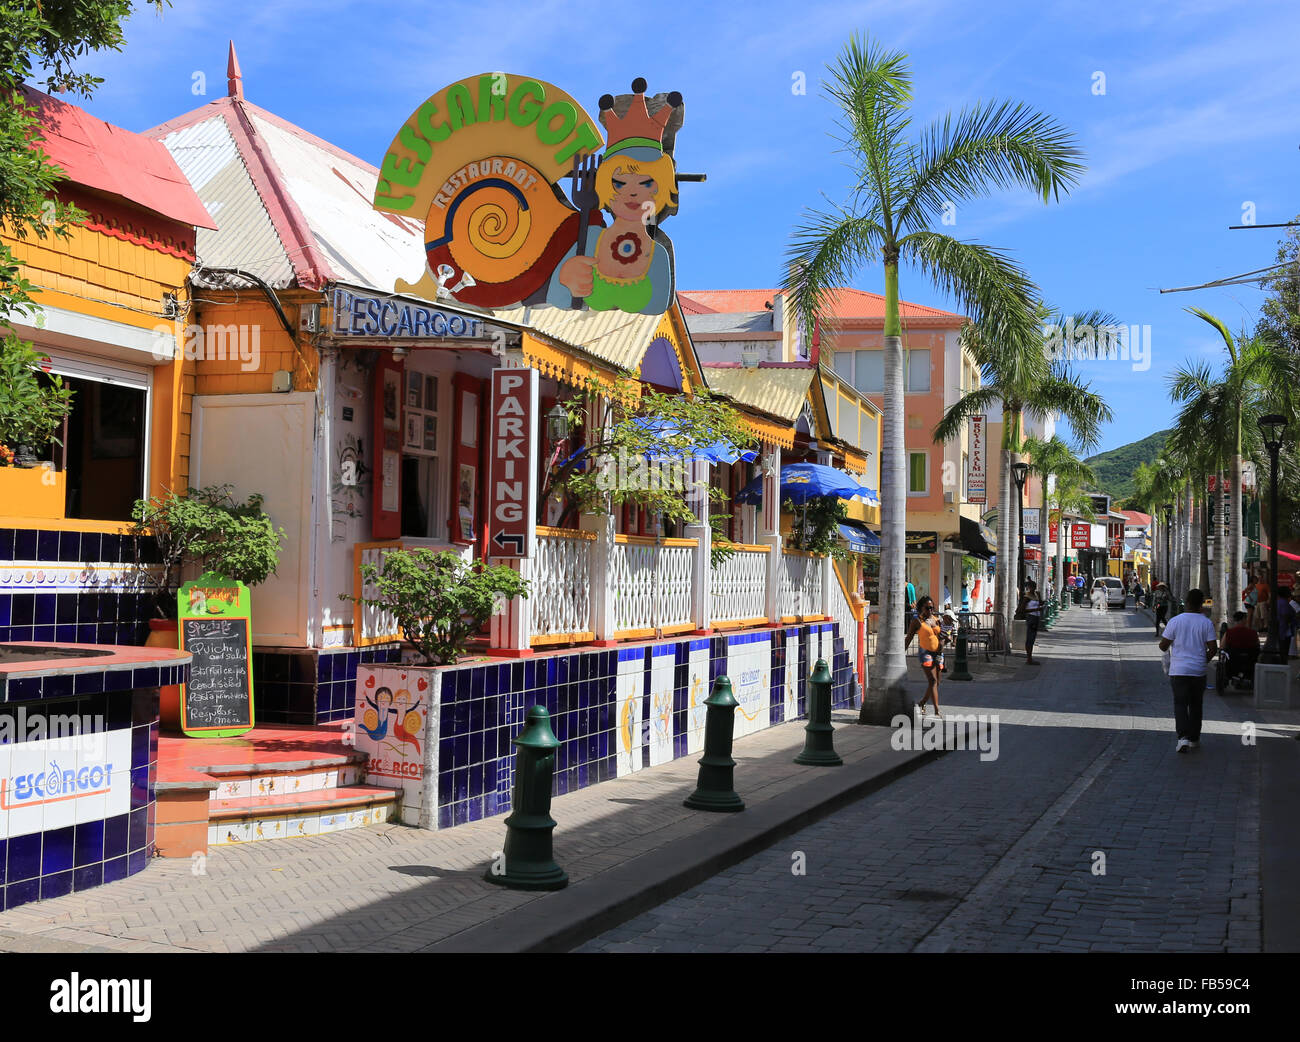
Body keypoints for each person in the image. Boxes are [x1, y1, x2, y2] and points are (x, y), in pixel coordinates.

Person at [1158, 588, 1218, 753]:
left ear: (1187, 602)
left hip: (1179, 670)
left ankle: (1182, 737)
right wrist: (1202, 661)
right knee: (1196, 704)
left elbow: (1163, 645)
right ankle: (1194, 738)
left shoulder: (1176, 621)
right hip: (1198, 671)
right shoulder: (1206, 622)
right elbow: (1213, 648)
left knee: (1180, 704)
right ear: (1201, 604)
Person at [904, 596, 944, 718]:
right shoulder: (917, 621)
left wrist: (945, 639)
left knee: (937, 683)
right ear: (921, 607)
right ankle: (937, 710)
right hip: (925, 653)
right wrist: (902, 652)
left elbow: (941, 636)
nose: (930, 610)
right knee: (932, 680)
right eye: (927, 608)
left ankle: (921, 703)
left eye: (932, 608)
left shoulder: (937, 620)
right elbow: (909, 637)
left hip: (938, 653)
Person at [1017, 580, 1044, 664]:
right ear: (1029, 587)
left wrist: (1041, 600)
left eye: (1034, 587)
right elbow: (1022, 610)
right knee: (1030, 638)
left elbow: (1039, 603)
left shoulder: (1036, 594)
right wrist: (1036, 609)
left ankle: (1030, 657)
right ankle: (1029, 658)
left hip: (1036, 618)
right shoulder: (1027, 597)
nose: (1033, 588)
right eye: (1031, 587)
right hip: (1031, 617)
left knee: (1033, 638)